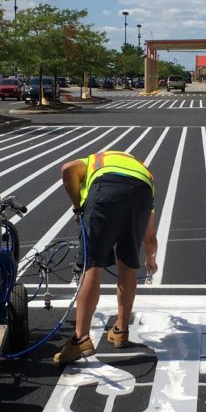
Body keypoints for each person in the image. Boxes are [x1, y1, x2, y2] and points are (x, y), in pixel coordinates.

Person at [53, 150, 159, 365]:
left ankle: (81, 339)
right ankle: (120, 331)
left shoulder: (96, 160)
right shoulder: (145, 174)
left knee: (92, 264)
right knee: (128, 264)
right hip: (142, 194)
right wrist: (150, 261)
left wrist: (78, 206)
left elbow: (67, 169)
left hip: (105, 189)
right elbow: (150, 237)